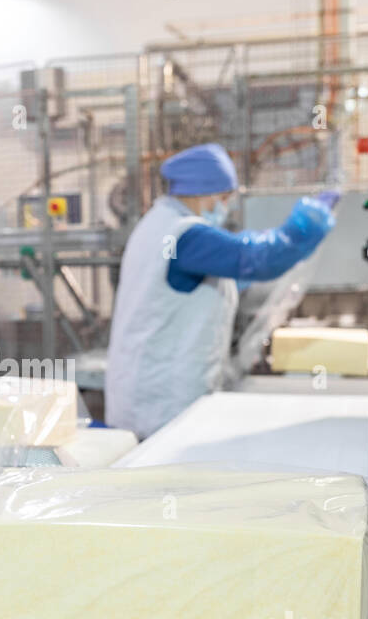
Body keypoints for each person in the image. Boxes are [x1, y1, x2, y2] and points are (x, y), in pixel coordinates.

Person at [105, 143, 339, 438]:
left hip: (147, 395)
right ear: (202, 194)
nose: (225, 206)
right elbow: (260, 258)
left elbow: (226, 264)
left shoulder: (159, 224)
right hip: (163, 406)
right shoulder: (186, 236)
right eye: (224, 197)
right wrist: (305, 227)